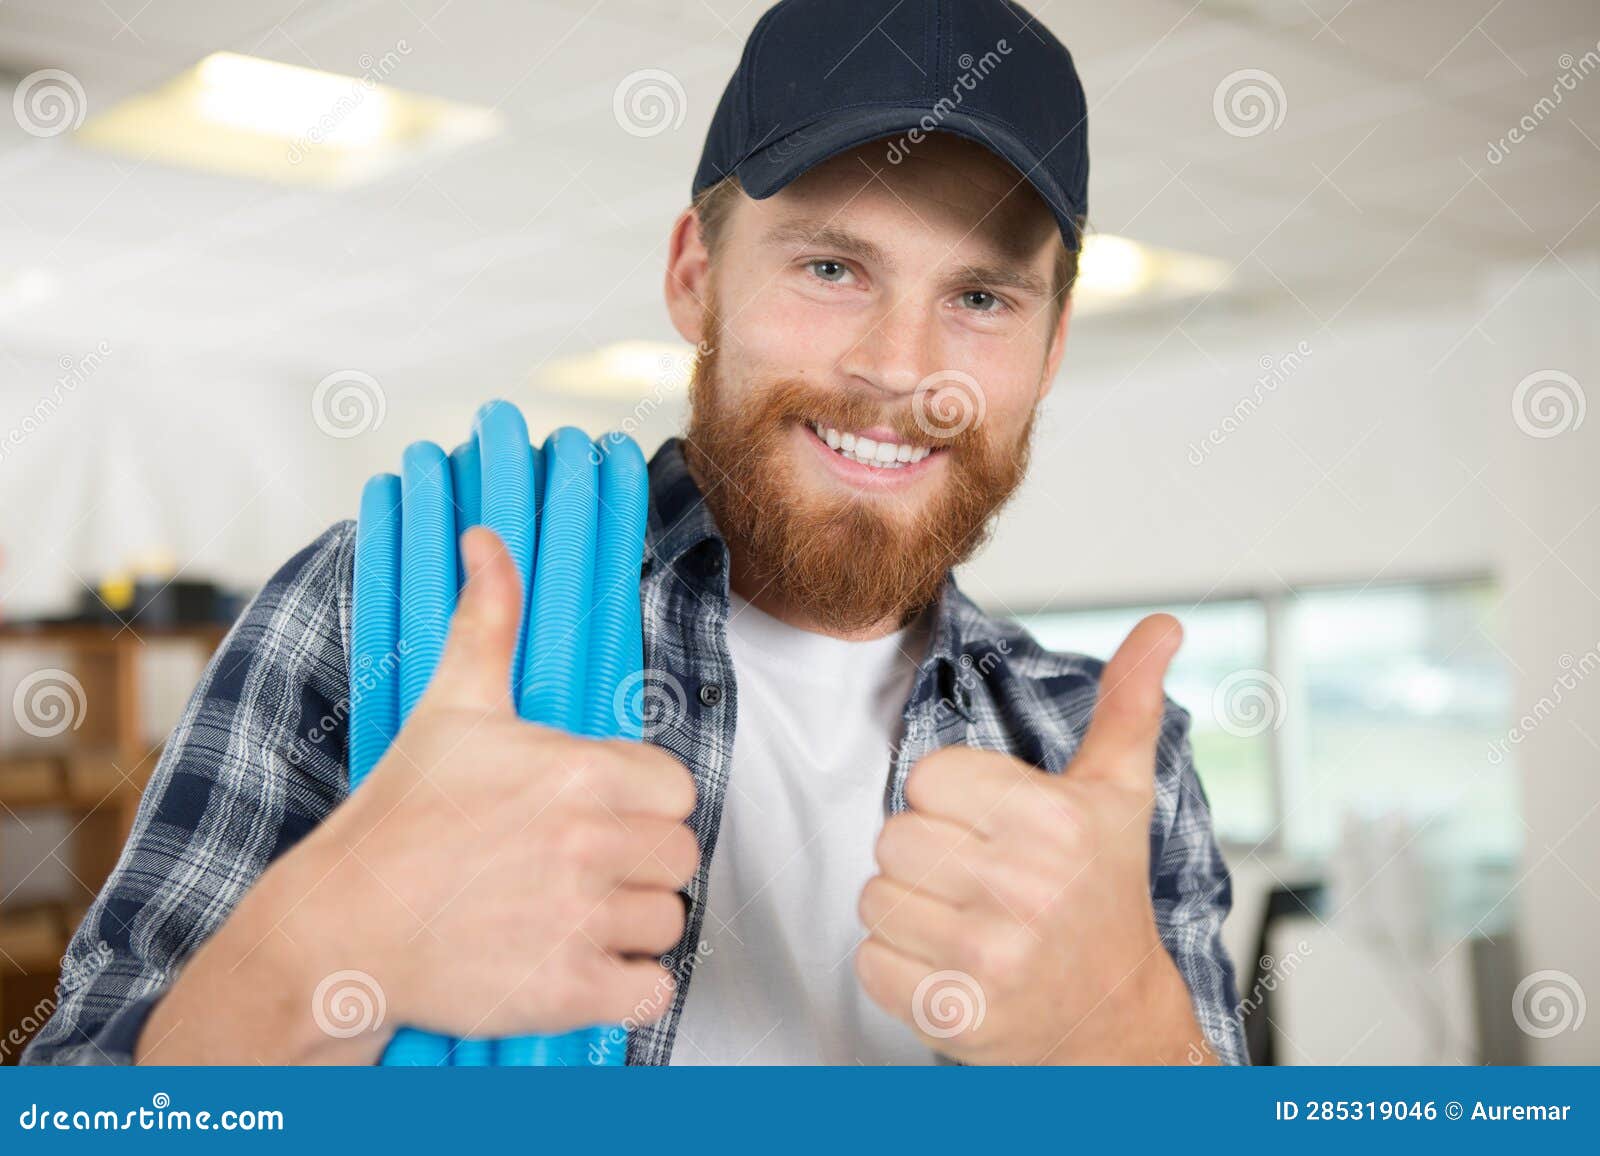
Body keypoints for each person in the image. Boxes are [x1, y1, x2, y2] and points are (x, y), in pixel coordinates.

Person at [25, 0, 1245, 1066]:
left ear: (1052, 344)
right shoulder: (396, 614)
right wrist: (315, 959)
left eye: (980, 298)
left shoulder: (1101, 761)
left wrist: (1127, 1037)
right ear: (694, 275)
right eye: (831, 268)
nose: (901, 370)